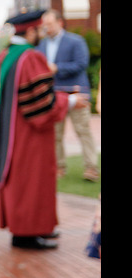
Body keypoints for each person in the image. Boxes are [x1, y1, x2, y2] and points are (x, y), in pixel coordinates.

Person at [0, 10, 89, 249]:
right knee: (32, 182)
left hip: (11, 130)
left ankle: (37, 228)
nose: (42, 33)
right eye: (39, 29)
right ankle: (27, 235)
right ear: (30, 31)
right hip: (29, 136)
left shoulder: (5, 55)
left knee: (22, 182)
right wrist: (68, 101)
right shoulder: (30, 57)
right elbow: (41, 107)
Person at [37, 9, 98, 181]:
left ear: (60, 23)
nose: (46, 28)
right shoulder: (41, 45)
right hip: (55, 95)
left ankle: (91, 168)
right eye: (45, 25)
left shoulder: (75, 41)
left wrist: (58, 68)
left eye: (49, 24)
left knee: (83, 131)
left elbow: (81, 63)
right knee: (55, 134)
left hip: (76, 92)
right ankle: (59, 167)